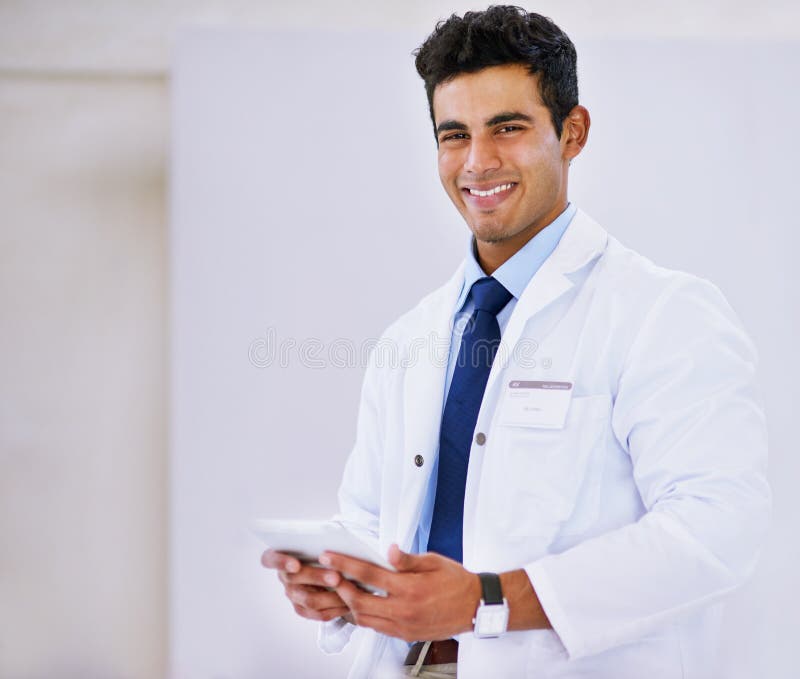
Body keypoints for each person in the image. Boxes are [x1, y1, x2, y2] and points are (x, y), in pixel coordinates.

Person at [262, 6, 771, 678]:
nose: (478, 162)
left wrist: (486, 601)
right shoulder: (410, 338)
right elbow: (373, 519)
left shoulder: (662, 314)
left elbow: (716, 531)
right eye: (454, 135)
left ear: (573, 131)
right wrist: (340, 577)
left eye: (508, 127)